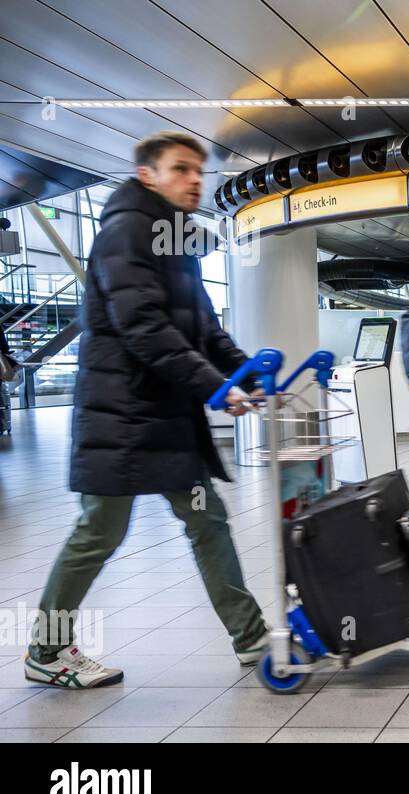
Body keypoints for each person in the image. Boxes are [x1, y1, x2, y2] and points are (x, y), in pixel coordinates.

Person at [25, 132, 267, 689]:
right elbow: (145, 330)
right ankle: (46, 649)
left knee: (208, 521)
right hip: (122, 418)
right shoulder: (126, 231)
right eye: (180, 170)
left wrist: (248, 371)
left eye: (198, 172)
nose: (193, 181)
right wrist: (216, 388)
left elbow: (204, 329)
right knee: (99, 532)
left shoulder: (176, 240)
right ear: (146, 176)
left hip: (163, 418)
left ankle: (251, 638)